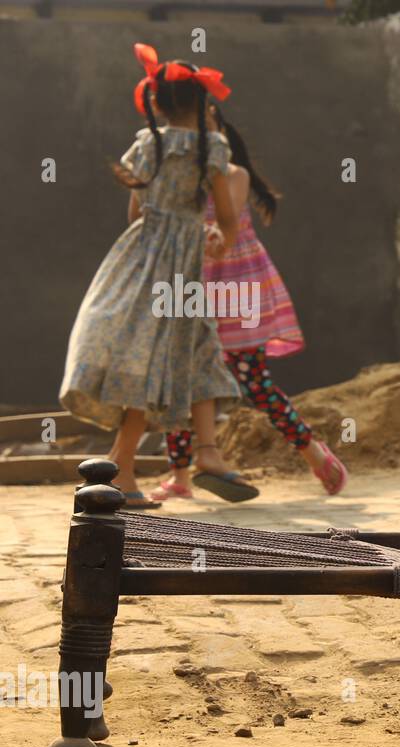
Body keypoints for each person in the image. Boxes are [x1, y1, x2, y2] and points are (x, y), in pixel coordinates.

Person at [59, 43, 255, 507]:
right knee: (164, 360)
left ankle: (203, 453)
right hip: (183, 263)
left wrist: (155, 244)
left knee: (193, 349)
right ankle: (122, 470)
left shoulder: (149, 143)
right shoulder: (213, 146)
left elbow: (135, 211)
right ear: (204, 106)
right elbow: (226, 211)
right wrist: (219, 237)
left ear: (156, 104)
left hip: (141, 257)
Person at [150, 104, 347, 502]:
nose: (197, 137)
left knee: (255, 384)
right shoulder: (177, 178)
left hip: (234, 288)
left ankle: (313, 451)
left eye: (207, 128)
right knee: (180, 379)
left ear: (222, 136)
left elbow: (224, 224)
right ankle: (179, 475)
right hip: (190, 286)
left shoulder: (233, 176)